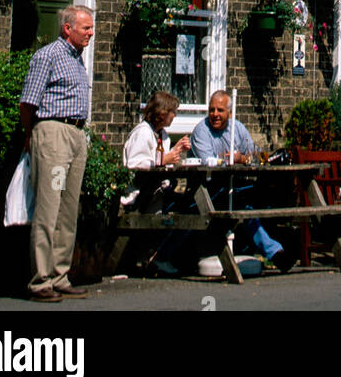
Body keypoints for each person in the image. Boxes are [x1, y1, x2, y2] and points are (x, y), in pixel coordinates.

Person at [19, 5, 95, 301]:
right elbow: (28, 102)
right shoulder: (48, 55)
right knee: (49, 208)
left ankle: (59, 274)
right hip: (53, 134)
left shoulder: (77, 60)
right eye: (86, 28)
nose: (90, 33)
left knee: (67, 210)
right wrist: (31, 135)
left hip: (76, 135)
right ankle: (40, 281)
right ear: (68, 29)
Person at [190, 90, 295, 271]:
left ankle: (276, 251)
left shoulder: (237, 128)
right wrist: (231, 161)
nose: (215, 114)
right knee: (243, 206)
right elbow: (209, 164)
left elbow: (254, 155)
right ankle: (274, 252)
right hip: (207, 190)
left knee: (263, 197)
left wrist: (242, 159)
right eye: (212, 110)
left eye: (220, 110)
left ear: (229, 113)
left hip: (234, 187)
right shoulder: (201, 131)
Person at [123, 91, 192, 276]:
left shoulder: (163, 135)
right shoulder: (143, 133)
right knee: (184, 209)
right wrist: (162, 160)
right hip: (138, 196)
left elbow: (162, 159)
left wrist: (175, 152)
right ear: (162, 112)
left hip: (156, 193)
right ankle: (153, 259)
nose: (175, 116)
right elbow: (135, 163)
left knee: (188, 204)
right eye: (172, 111)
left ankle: (158, 257)